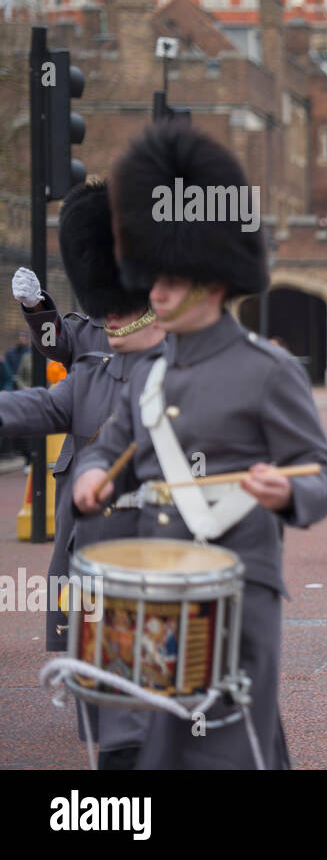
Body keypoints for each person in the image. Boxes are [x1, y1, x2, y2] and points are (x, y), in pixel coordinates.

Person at [72, 120, 327, 769]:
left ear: (214, 283)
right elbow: (107, 447)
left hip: (241, 591)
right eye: (151, 278)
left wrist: (287, 492)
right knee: (164, 748)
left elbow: (325, 472)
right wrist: (91, 477)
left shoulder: (267, 371)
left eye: (169, 281)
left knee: (230, 746)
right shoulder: (155, 373)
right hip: (165, 593)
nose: (154, 293)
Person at [0, 179, 166, 770]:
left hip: (155, 554)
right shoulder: (91, 357)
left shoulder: (180, 361)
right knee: (107, 726)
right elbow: (48, 373)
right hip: (91, 538)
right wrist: (37, 306)